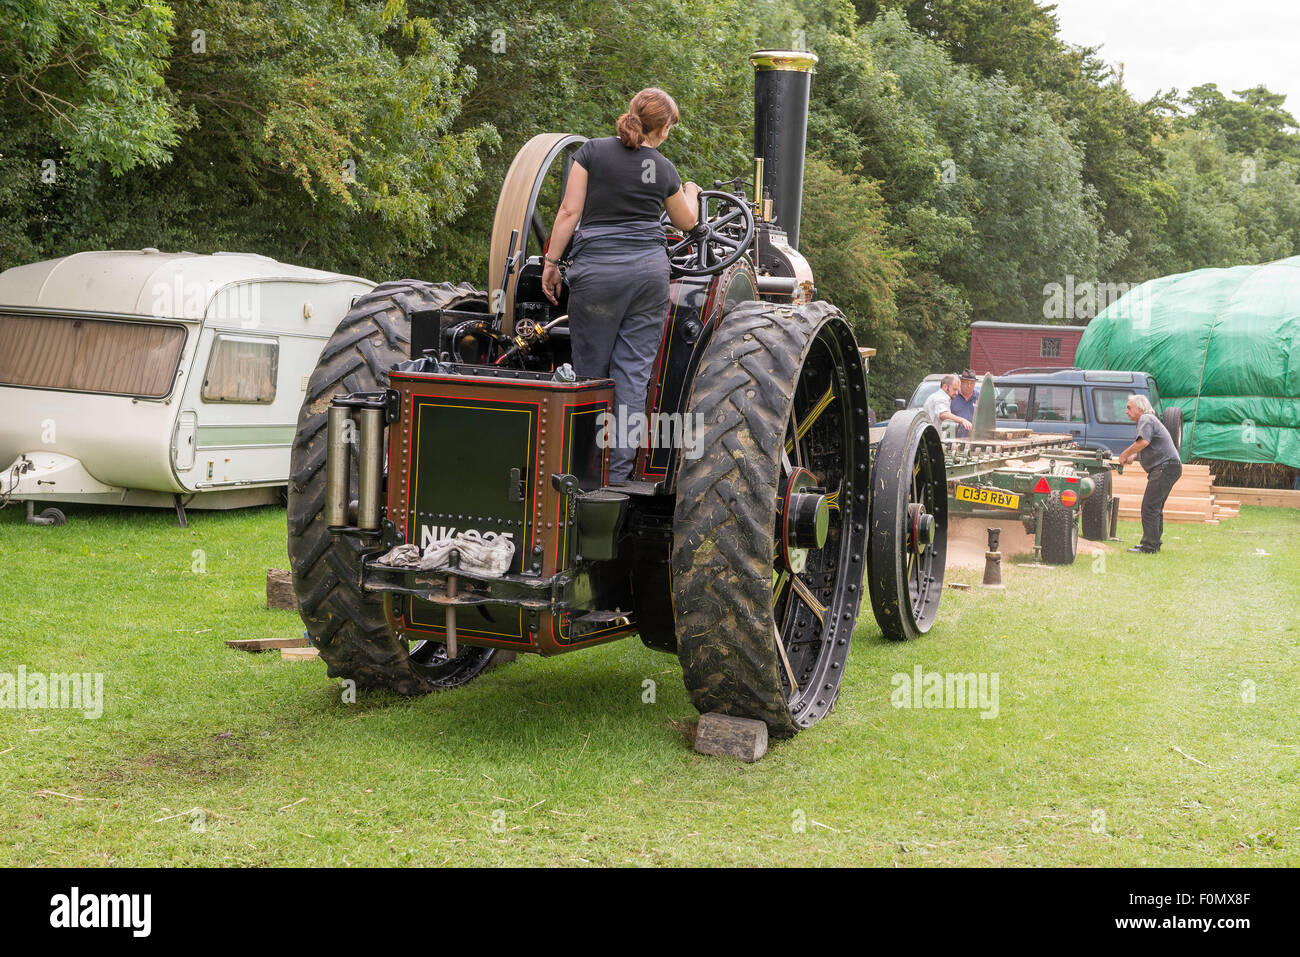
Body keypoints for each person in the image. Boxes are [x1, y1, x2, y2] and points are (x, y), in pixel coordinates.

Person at [541, 88, 702, 481]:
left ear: (630, 113)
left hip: (596, 275)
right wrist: (691, 194)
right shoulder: (663, 169)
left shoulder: (592, 153)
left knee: (590, 374)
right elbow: (686, 223)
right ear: (661, 129)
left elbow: (568, 212)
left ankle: (580, 472)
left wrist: (551, 262)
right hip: (647, 277)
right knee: (631, 377)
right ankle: (616, 477)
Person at [1117, 394, 1181, 553]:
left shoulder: (1146, 419)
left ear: (1140, 408)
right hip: (1170, 466)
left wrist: (1124, 454)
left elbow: (1143, 442)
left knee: (1149, 507)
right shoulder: (1150, 420)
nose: (1126, 411)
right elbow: (1151, 446)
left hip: (1164, 467)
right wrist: (1134, 456)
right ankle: (1153, 542)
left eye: (1129, 407)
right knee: (1155, 507)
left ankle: (1149, 546)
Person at [949, 369, 979, 438]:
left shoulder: (979, 398)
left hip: (974, 439)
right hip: (954, 438)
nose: (969, 386)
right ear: (961, 382)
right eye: (966, 383)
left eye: (972, 383)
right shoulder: (952, 396)